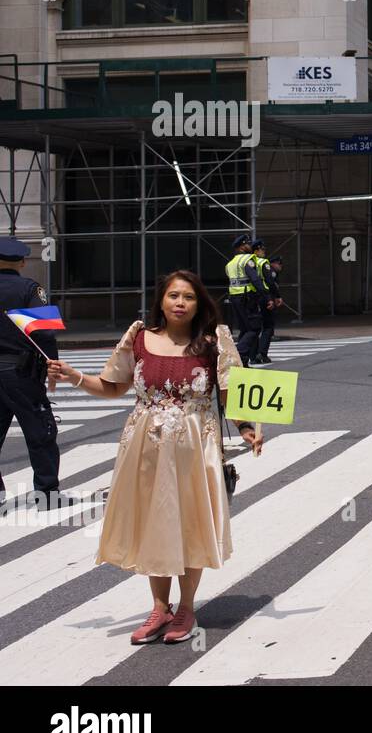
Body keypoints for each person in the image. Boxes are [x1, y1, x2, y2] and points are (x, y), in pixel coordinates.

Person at [47, 271, 262, 643]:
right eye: (174, 296)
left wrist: (248, 426)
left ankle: (187, 608)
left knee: (192, 522)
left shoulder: (215, 341)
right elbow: (113, 385)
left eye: (189, 297)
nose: (180, 303)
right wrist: (73, 376)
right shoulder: (139, 338)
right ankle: (159, 608)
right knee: (154, 523)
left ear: (199, 304)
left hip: (196, 444)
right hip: (144, 445)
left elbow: (233, 393)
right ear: (161, 300)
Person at [0, 237, 61, 507]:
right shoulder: (29, 289)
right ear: (22, 262)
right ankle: (47, 494)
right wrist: (53, 366)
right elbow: (44, 332)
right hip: (20, 373)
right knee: (40, 431)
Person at [224, 234, 272, 366]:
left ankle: (243, 362)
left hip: (235, 298)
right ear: (241, 247)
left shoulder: (231, 263)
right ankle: (239, 353)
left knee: (245, 329)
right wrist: (267, 296)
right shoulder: (247, 260)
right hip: (247, 298)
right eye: (247, 244)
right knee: (254, 328)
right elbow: (255, 279)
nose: (250, 246)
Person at [252, 252, 284, 365]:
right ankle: (261, 353)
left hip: (253, 297)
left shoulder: (252, 263)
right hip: (266, 298)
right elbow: (270, 284)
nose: (281, 266)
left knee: (254, 328)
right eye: (279, 263)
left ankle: (253, 355)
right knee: (268, 327)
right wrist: (277, 296)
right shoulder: (266, 266)